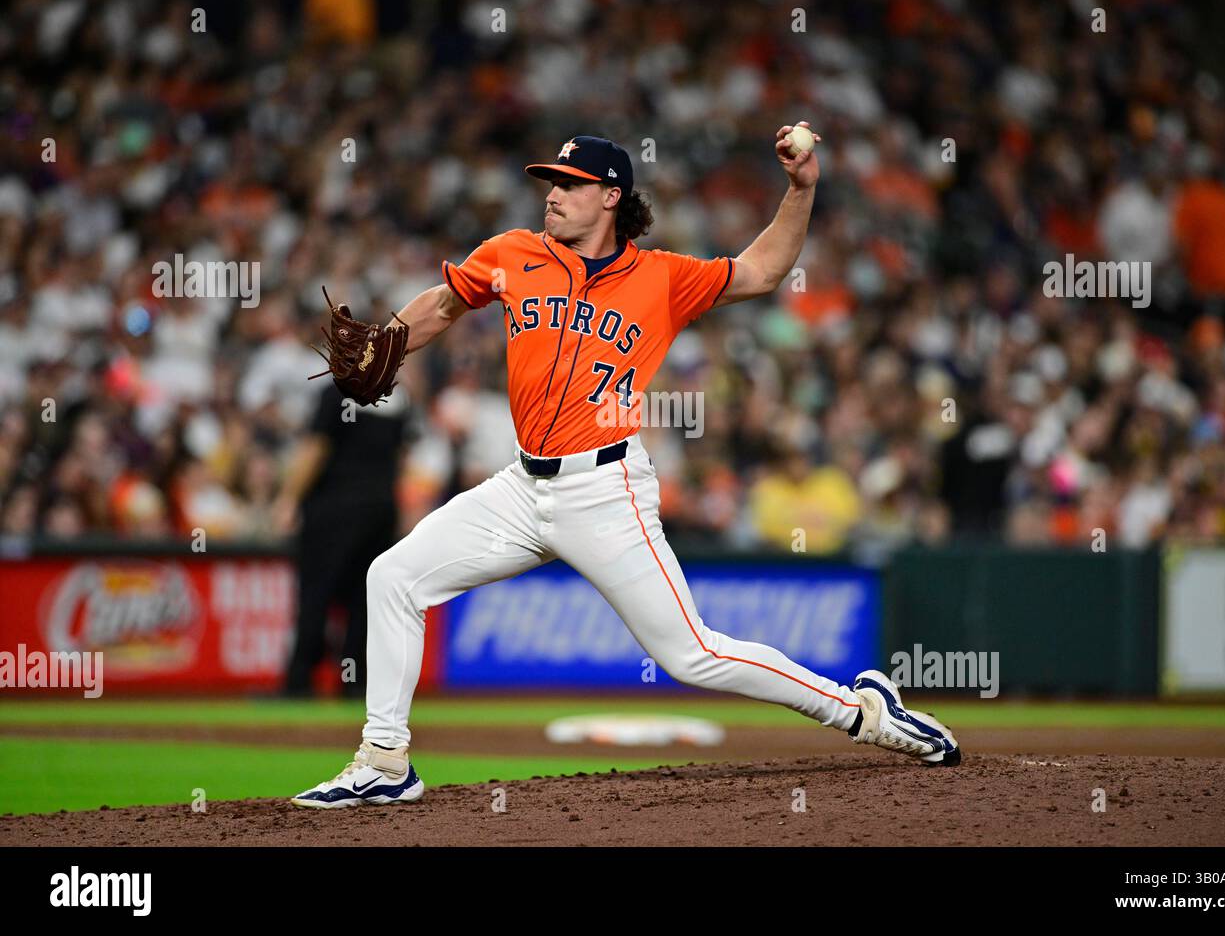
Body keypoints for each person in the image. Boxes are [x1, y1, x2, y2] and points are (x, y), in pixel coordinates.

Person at [291, 126, 959, 808]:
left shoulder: (662, 277)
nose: (552, 195)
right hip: (521, 487)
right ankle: (384, 760)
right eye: (551, 182)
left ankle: (862, 711)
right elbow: (443, 303)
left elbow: (762, 270)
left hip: (606, 490)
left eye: (569, 185)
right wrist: (389, 341)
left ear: (611, 196)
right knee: (393, 577)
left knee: (690, 653)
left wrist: (801, 188)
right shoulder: (512, 254)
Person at [275, 381, 411, 699]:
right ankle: (355, 682)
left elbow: (316, 449)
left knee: (315, 594)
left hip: (333, 508)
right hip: (380, 509)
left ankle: (299, 681)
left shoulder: (337, 391)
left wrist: (288, 498)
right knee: (365, 600)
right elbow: (401, 456)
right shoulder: (398, 398)